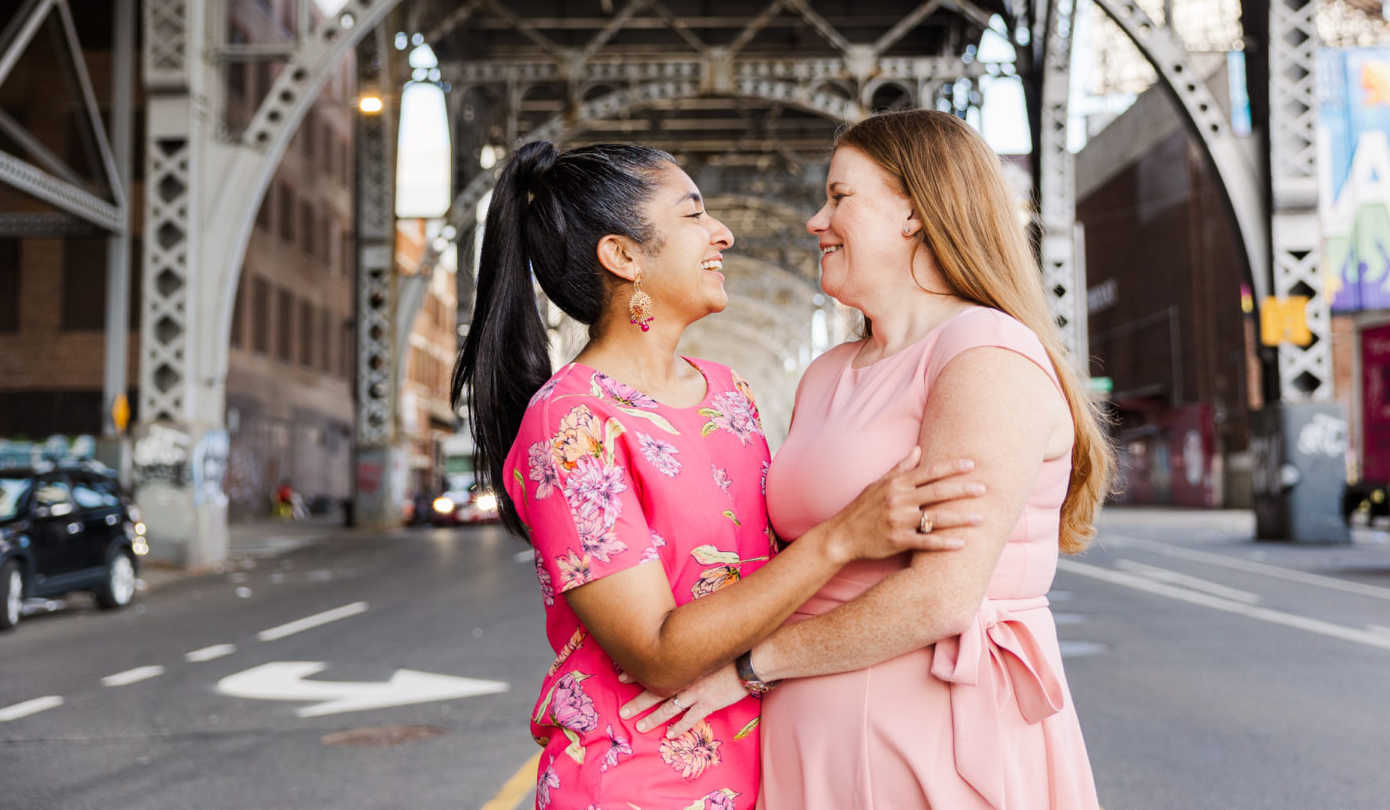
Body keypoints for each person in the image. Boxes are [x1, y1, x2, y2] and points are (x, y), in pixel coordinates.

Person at [451, 141, 985, 809]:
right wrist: (842, 538)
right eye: (693, 215)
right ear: (623, 257)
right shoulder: (570, 424)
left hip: (775, 770)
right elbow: (657, 653)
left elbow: (769, 572)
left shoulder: (729, 394)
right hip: (641, 784)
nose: (722, 234)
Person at [625, 109, 1112, 809]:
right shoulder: (829, 372)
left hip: (931, 739)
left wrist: (754, 665)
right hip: (811, 742)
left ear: (914, 211)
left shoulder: (985, 358)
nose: (815, 221)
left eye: (840, 198)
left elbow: (941, 595)